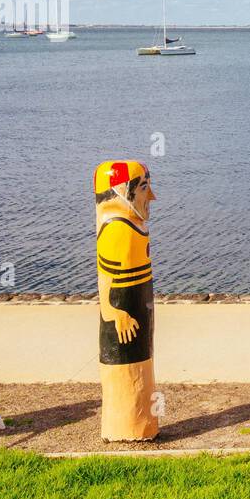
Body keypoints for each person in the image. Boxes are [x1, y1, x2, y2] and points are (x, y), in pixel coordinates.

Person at [94, 159, 159, 441]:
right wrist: (114, 313)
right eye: (144, 187)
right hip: (124, 321)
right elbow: (106, 282)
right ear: (122, 191)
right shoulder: (117, 230)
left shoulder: (133, 225)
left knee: (142, 372)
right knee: (129, 378)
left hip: (138, 314)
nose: (152, 196)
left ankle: (140, 422)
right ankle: (127, 427)